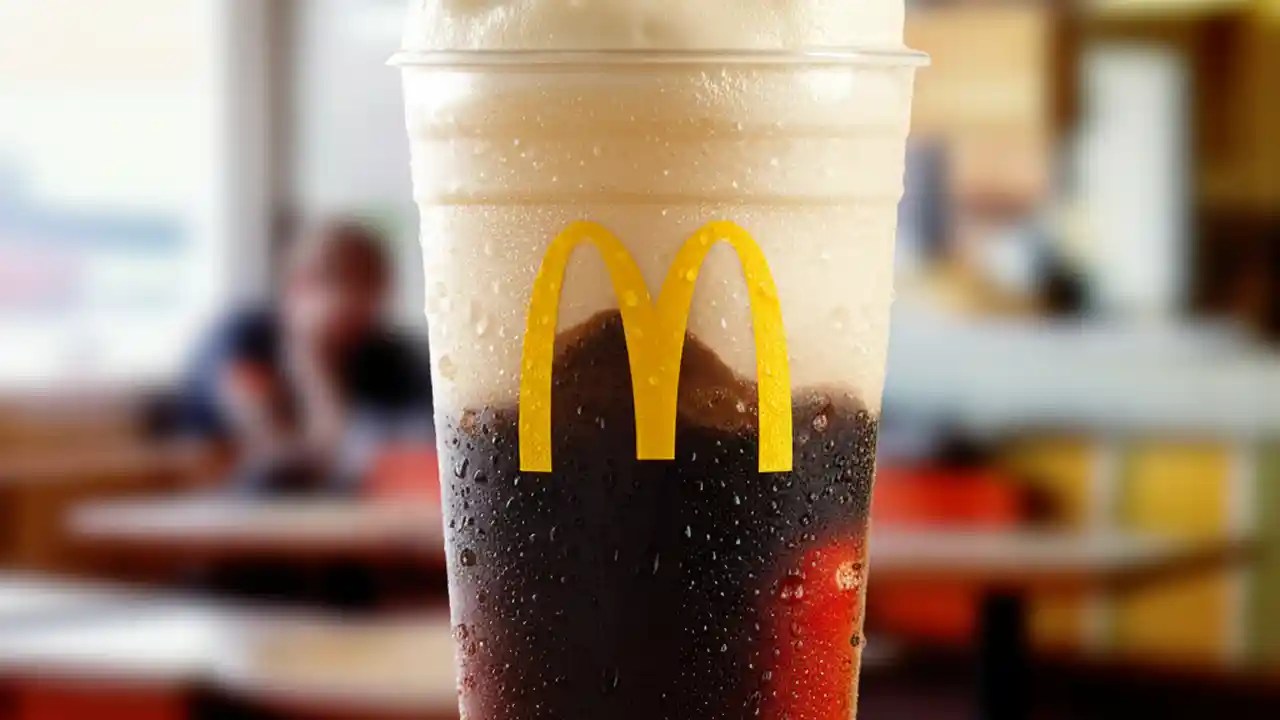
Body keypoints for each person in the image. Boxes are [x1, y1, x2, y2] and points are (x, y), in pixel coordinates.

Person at [181, 220, 432, 495]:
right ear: (294, 285)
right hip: (235, 504)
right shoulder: (241, 337)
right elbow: (275, 450)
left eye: (366, 283)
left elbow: (411, 451)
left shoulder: (393, 358)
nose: (349, 298)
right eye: (331, 279)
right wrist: (309, 356)